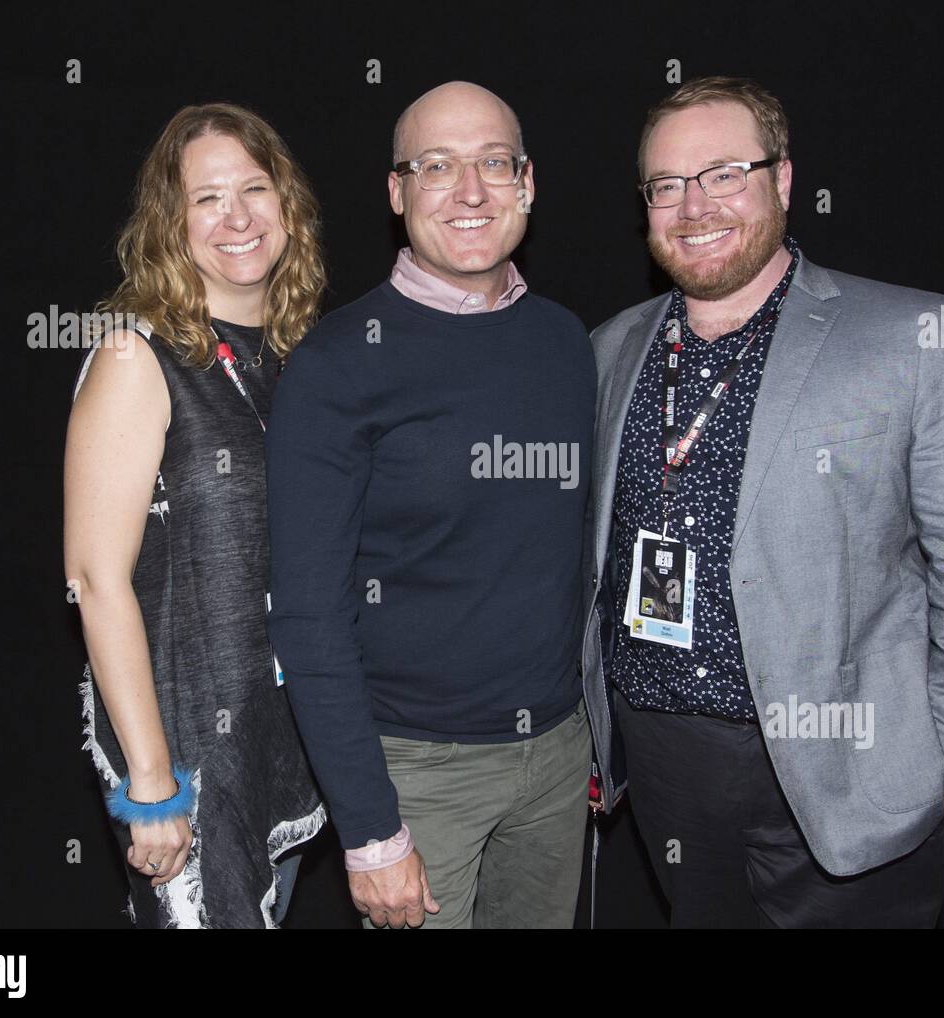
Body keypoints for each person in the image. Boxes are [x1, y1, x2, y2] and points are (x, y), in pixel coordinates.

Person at [582, 76, 944, 928]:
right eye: (666, 185)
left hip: (851, 766)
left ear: (782, 181)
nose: (694, 205)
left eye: (724, 173)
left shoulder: (913, 337)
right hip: (667, 765)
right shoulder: (611, 349)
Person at [265, 81, 595, 929]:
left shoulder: (567, 341)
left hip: (560, 760)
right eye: (437, 166)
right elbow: (307, 615)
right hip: (415, 773)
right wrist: (371, 831)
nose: (471, 190)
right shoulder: (337, 364)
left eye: (493, 163)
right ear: (397, 191)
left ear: (528, 182)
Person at [64, 102, 328, 928]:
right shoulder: (135, 354)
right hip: (182, 752)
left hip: (273, 737)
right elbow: (96, 580)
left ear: (289, 206)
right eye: (207, 198)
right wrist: (152, 787)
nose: (238, 216)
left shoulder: (299, 354)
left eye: (256, 188)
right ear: (170, 224)